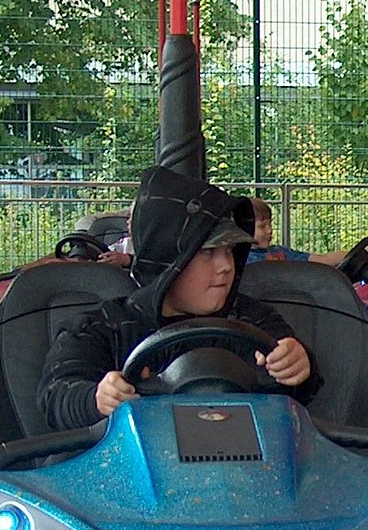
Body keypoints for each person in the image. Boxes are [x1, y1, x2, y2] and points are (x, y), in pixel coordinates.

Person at [38, 167, 319, 433]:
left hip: (247, 461)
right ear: (168, 258)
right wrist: (96, 398)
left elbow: (299, 387)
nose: (226, 265)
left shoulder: (254, 321)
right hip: (132, 465)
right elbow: (56, 395)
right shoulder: (102, 327)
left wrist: (297, 364)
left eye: (230, 250)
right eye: (207, 252)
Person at [246, 197, 347, 266]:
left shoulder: (281, 253)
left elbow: (323, 260)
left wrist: (353, 254)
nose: (269, 230)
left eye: (270, 224)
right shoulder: (241, 261)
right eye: (262, 226)